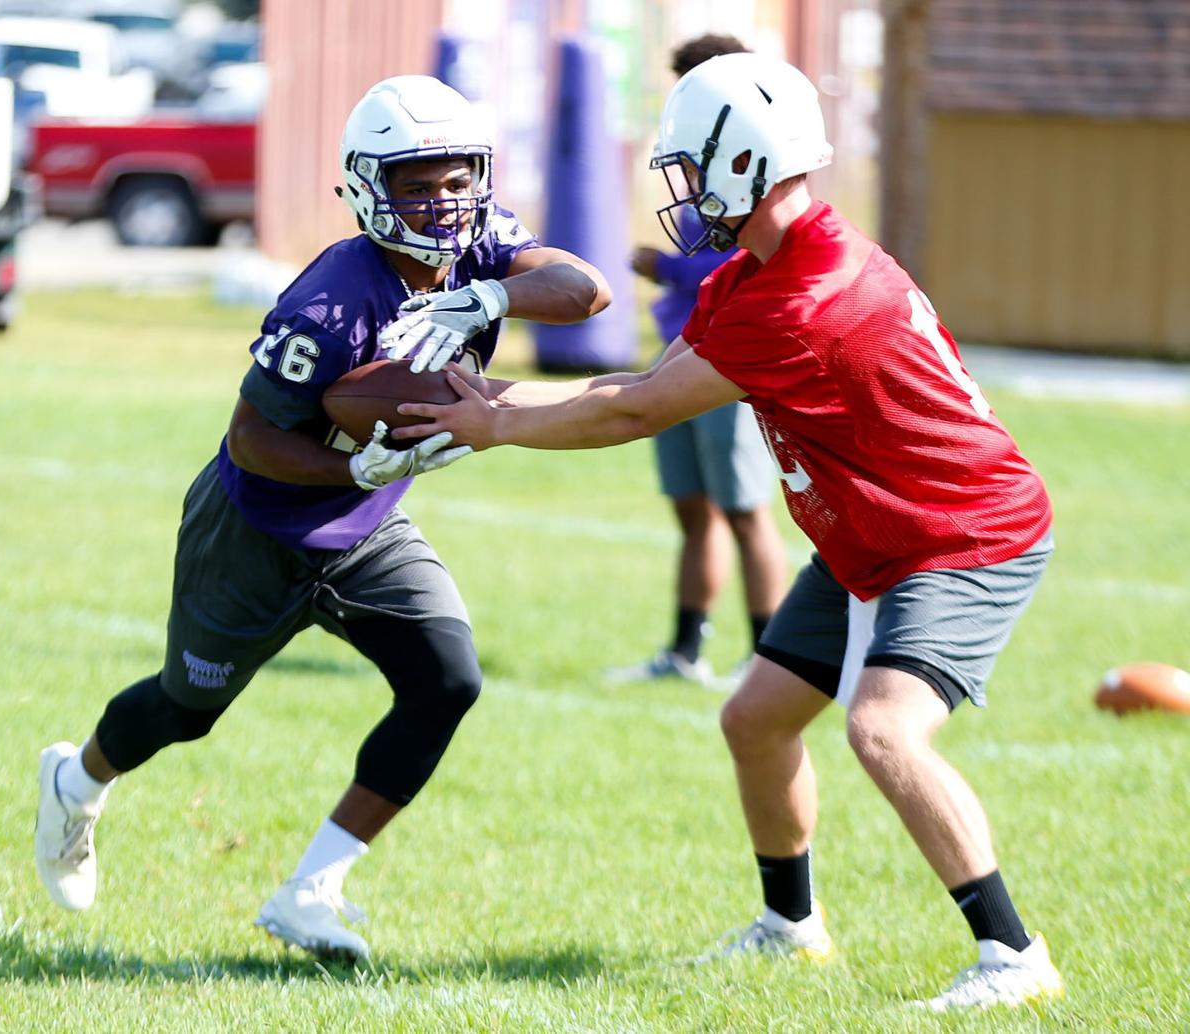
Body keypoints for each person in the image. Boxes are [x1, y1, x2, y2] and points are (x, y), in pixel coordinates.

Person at [393, 54, 1064, 1011]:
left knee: (882, 730)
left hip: (959, 533)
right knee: (754, 720)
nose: (687, 192)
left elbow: (634, 417)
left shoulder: (802, 301)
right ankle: (791, 931)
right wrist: (487, 398)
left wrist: (493, 426)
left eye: (697, 170)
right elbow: (635, 384)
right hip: (875, 528)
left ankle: (1014, 956)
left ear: (748, 161)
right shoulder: (765, 268)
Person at [33, 75, 611, 963]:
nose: (443, 202)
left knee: (447, 680)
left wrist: (491, 298)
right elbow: (252, 436)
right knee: (187, 710)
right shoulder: (330, 302)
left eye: (456, 180)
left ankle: (313, 889)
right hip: (257, 527)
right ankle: (75, 782)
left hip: (367, 530)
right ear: (369, 187)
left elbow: (586, 290)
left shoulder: (478, 249)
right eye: (417, 183)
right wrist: (356, 466)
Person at [606, 33, 786, 690]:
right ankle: (685, 650)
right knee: (691, 509)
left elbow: (753, 262)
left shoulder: (761, 161)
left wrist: (665, 268)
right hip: (682, 344)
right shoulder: (697, 163)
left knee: (743, 510)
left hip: (730, 358)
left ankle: (767, 657)